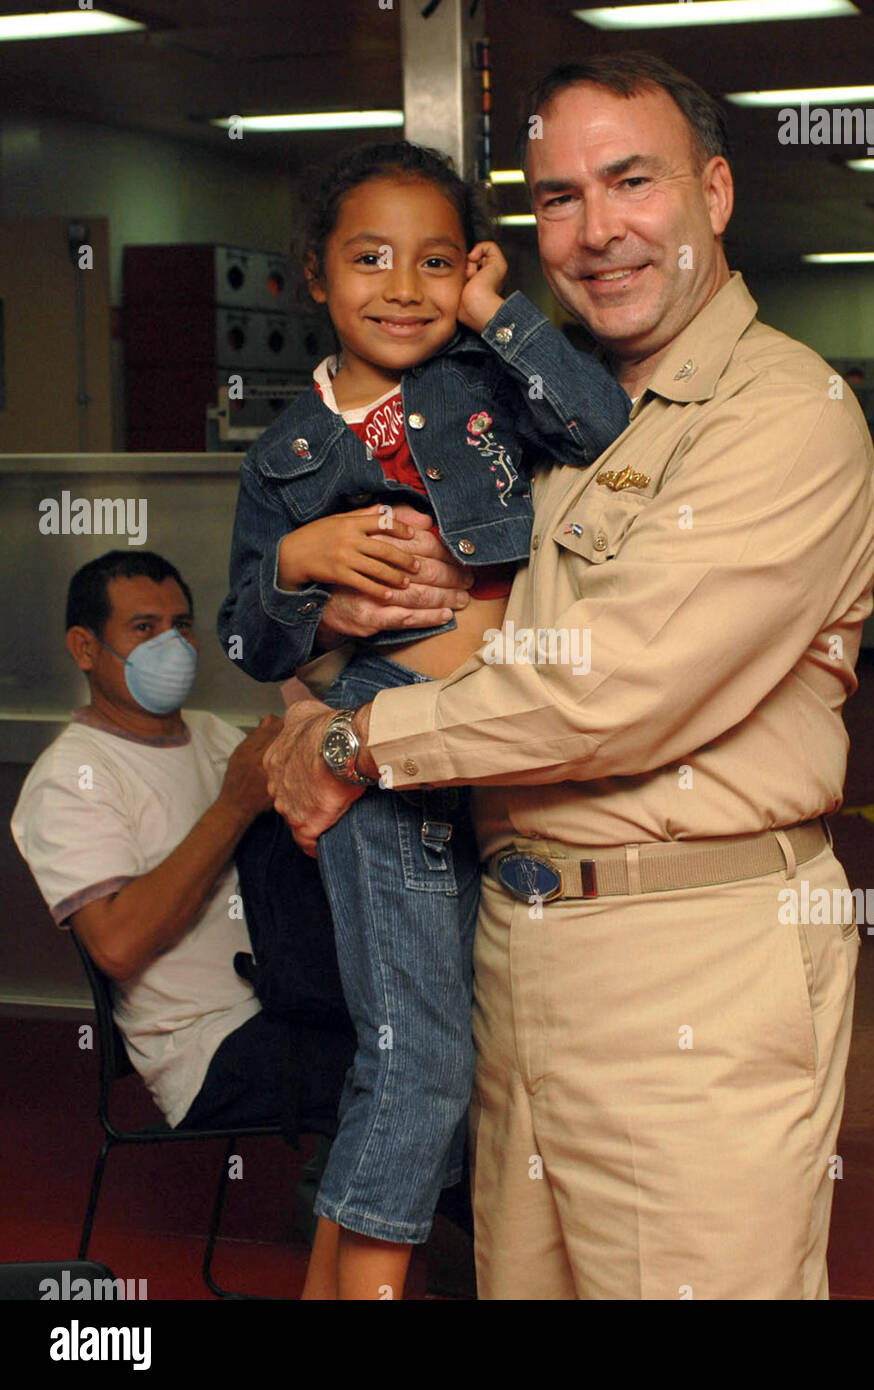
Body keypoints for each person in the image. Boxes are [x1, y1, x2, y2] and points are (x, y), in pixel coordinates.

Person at [264, 54, 874, 1300]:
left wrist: (354, 741)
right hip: (515, 940)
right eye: (556, 197)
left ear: (712, 193)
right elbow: (440, 623)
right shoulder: (540, 425)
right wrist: (316, 602)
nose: (595, 229)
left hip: (690, 960)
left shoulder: (778, 412)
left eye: (629, 181)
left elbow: (612, 690)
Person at [216, 141, 632, 1300]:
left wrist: (501, 317)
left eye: (437, 261)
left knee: (469, 1054)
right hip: (383, 743)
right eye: (369, 257)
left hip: (505, 744)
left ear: (473, 270)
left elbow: (602, 429)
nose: (403, 286)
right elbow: (248, 640)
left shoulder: (485, 386)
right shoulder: (287, 455)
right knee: (417, 1056)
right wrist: (298, 565)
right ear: (313, 274)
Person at [9, 552, 355, 1252]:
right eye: (144, 627)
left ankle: (358, 1210)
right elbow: (117, 945)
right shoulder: (71, 780)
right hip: (204, 1045)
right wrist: (232, 806)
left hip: (282, 999)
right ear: (85, 647)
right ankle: (400, 1233)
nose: (172, 644)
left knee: (428, 1037)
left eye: (182, 625)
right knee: (393, 1070)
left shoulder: (207, 734)